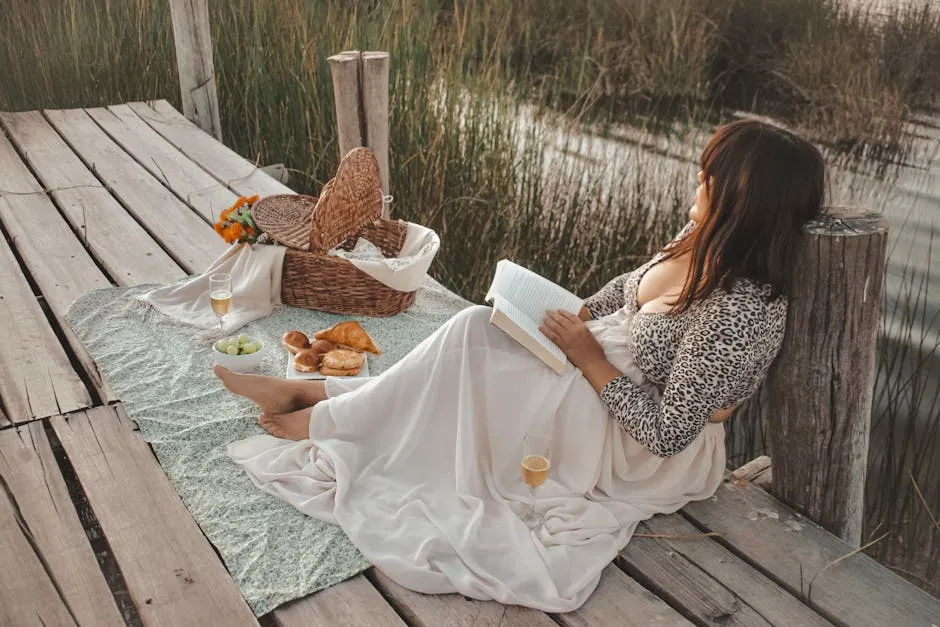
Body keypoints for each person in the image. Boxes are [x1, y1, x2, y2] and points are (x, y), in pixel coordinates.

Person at [216, 118, 825, 611]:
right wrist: (563, 317)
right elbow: (617, 297)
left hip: (633, 449)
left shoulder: (740, 310)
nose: (696, 190)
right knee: (477, 331)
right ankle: (326, 404)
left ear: (744, 201)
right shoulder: (700, 241)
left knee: (476, 348)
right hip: (597, 379)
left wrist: (588, 359)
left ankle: (324, 411)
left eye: (709, 182)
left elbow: (669, 437)